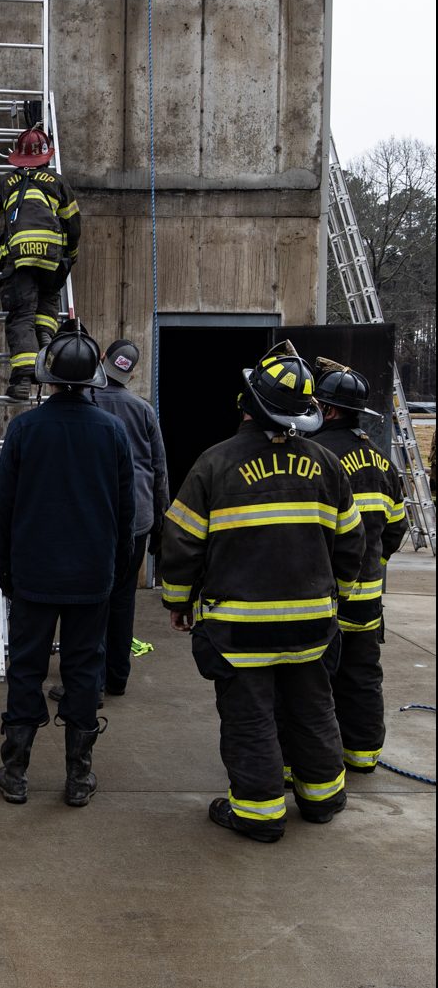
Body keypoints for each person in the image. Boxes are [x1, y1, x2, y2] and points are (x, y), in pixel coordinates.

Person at [160, 341, 364, 842]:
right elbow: (351, 541)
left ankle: (259, 813)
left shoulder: (213, 465)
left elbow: (181, 542)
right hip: (313, 625)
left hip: (240, 630)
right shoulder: (326, 464)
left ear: (246, 404)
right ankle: (322, 799)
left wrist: (178, 603)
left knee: (250, 716)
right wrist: (336, 595)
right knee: (313, 709)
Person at [0, 320, 134, 807]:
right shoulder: (113, 432)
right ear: (94, 376)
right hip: (92, 577)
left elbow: (2, 509)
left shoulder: (25, 429)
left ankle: (15, 772)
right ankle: (78, 777)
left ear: (47, 377)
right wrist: (117, 571)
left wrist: (4, 569)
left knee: (27, 669)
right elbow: (125, 512)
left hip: (32, 575)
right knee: (83, 670)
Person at [299, 359, 408, 773]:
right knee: (362, 675)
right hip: (366, 597)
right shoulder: (383, 462)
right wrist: (373, 566)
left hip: (323, 593)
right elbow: (395, 529)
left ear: (328, 410)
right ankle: (363, 756)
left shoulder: (318, 457)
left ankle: (306, 763)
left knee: (312, 683)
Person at [49, 338, 169, 706]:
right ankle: (117, 677)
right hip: (139, 519)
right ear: (130, 371)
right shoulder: (143, 410)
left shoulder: (88, 403)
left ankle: (91, 682)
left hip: (97, 518)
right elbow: (159, 470)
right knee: (122, 599)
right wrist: (161, 525)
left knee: (91, 601)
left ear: (103, 361)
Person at [0, 125, 81, 402]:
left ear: (19, 157)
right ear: (45, 156)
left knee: (21, 316)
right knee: (46, 304)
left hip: (20, 260)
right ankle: (45, 339)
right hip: (52, 260)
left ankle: (22, 379)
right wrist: (71, 256)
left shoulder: (8, 182)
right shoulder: (57, 182)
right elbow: (74, 224)